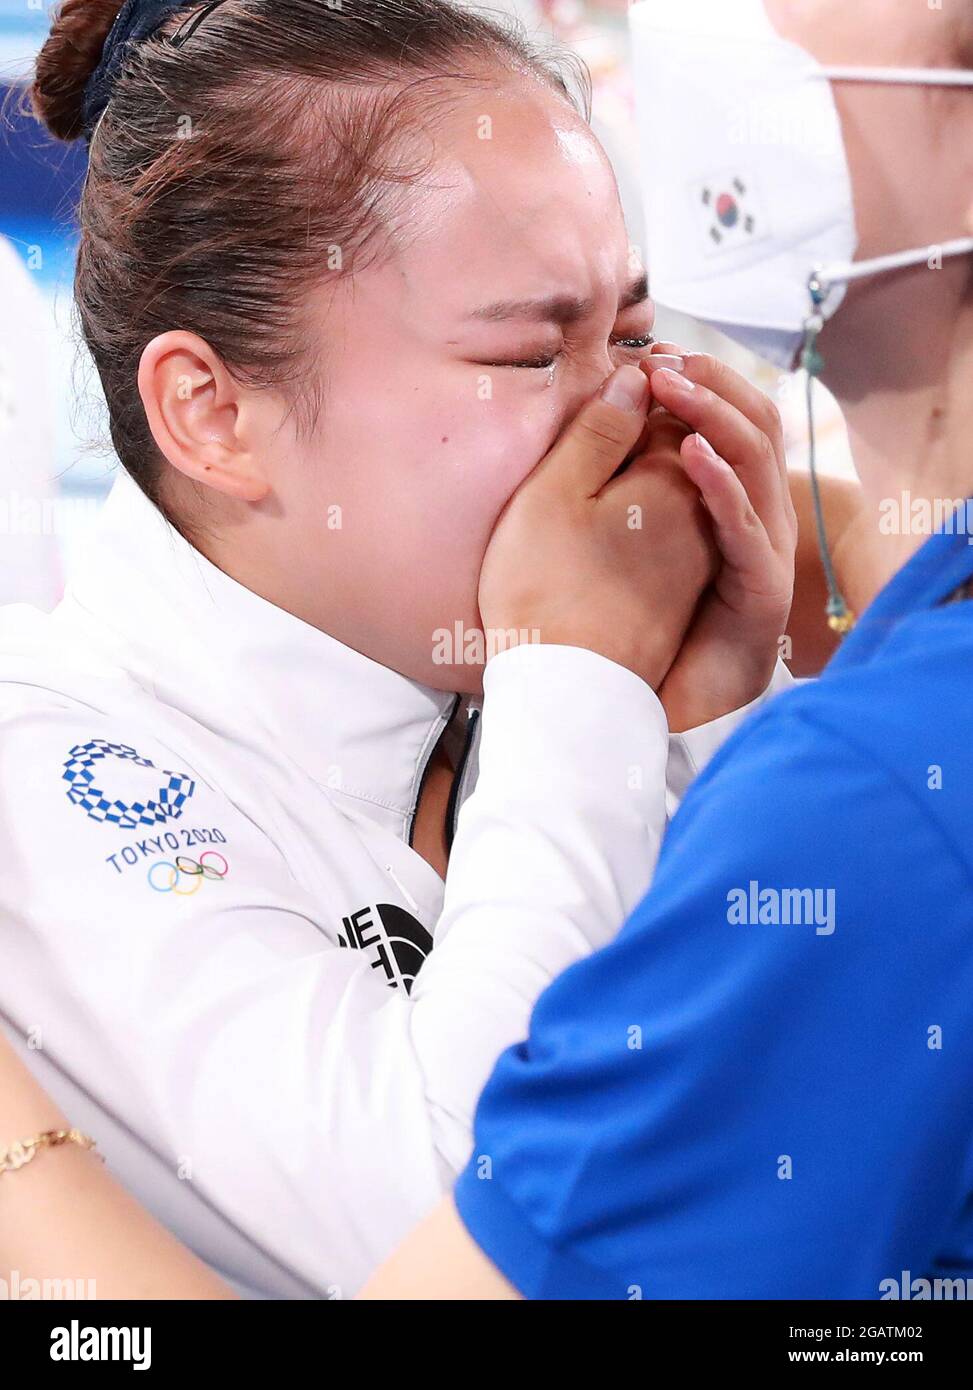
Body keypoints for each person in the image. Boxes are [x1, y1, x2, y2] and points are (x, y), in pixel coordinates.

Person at [0, 0, 795, 1297]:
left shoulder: (534, 692)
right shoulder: (44, 768)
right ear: (214, 414)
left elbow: (799, 1172)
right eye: (531, 348)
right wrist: (581, 682)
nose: (631, 405)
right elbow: (475, 1236)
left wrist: (708, 725)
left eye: (634, 332)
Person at [359, 0, 973, 1298]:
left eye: (620, 334)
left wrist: (24, 1146)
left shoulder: (879, 784)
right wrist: (708, 731)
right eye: (529, 349)